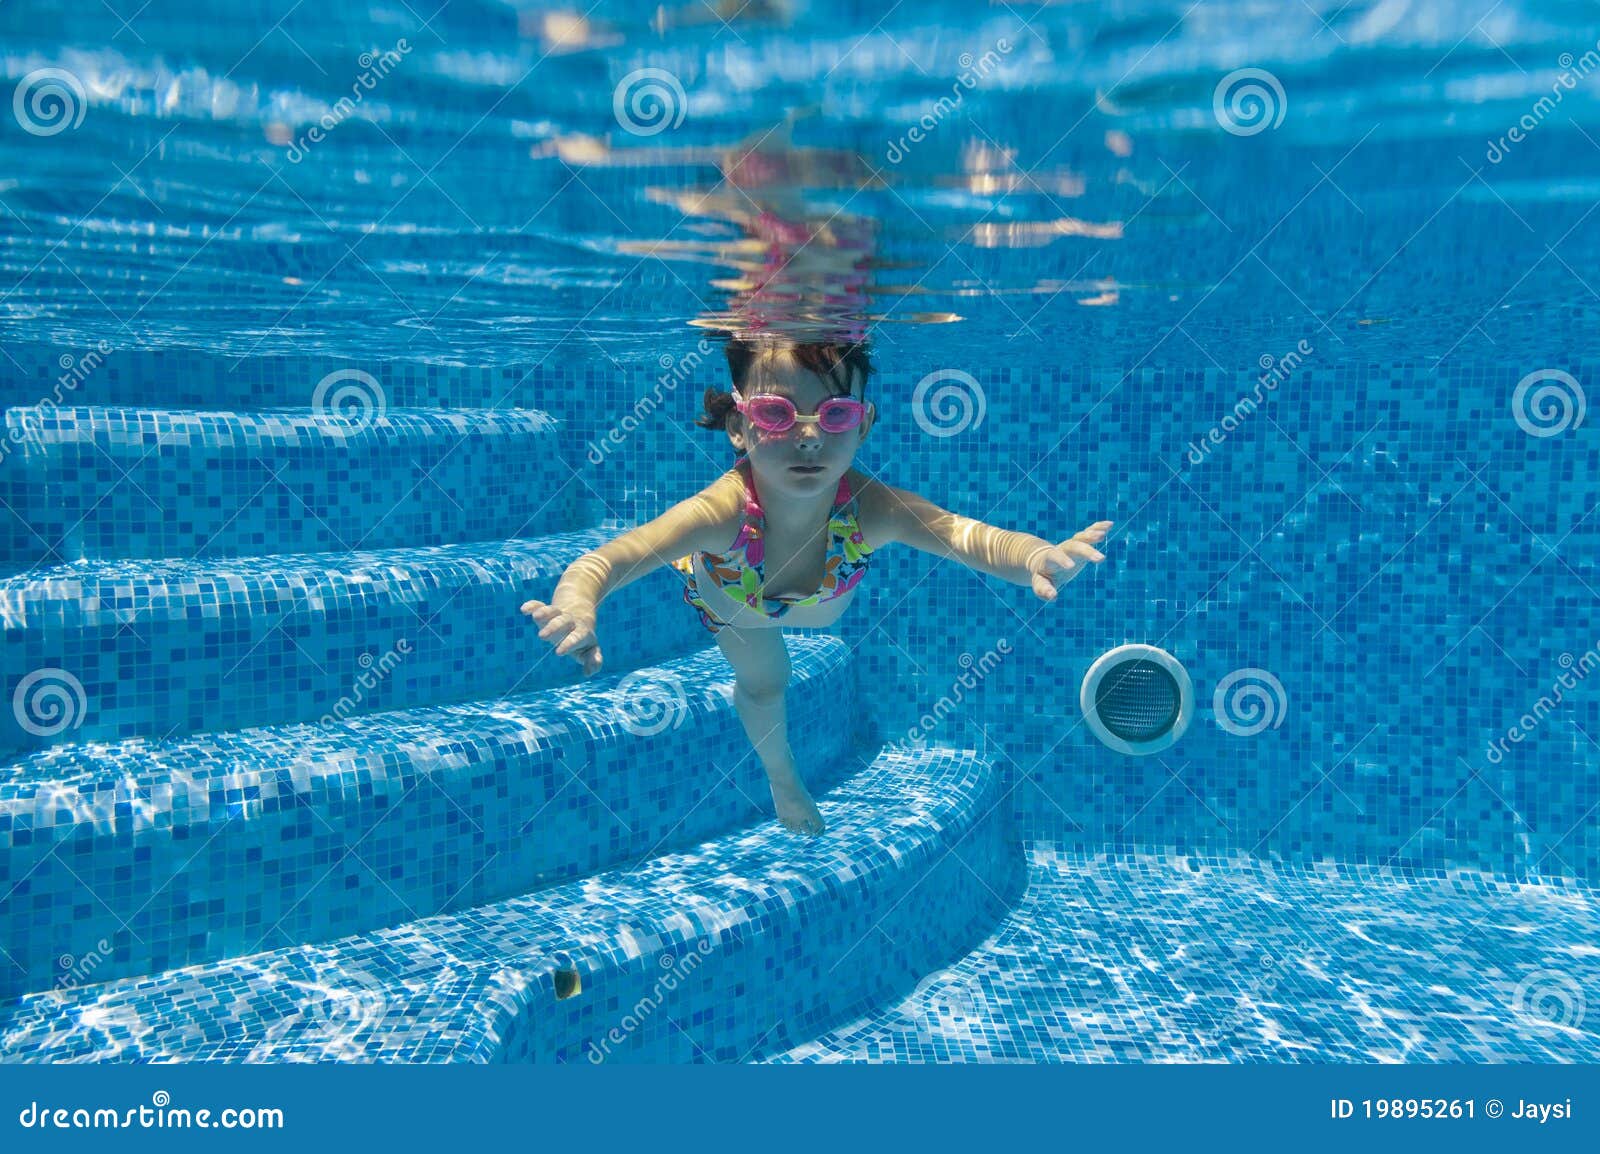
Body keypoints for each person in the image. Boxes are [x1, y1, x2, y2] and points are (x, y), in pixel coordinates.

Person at [521, 337, 1112, 835]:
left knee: (779, 665)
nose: (809, 437)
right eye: (776, 414)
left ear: (864, 425)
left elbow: (961, 535)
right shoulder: (723, 512)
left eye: (835, 415)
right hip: (737, 604)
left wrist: (1034, 556)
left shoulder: (871, 508)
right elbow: (609, 560)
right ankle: (783, 780)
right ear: (738, 426)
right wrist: (577, 603)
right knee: (766, 682)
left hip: (819, 598)